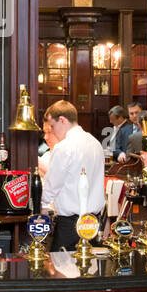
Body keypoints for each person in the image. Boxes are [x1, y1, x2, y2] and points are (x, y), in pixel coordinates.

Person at [40, 101, 106, 250]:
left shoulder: (64, 147)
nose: (52, 131)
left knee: (61, 269)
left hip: (71, 225)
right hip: (94, 222)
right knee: (89, 268)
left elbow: (52, 185)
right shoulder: (95, 143)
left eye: (52, 126)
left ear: (62, 120)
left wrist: (41, 204)